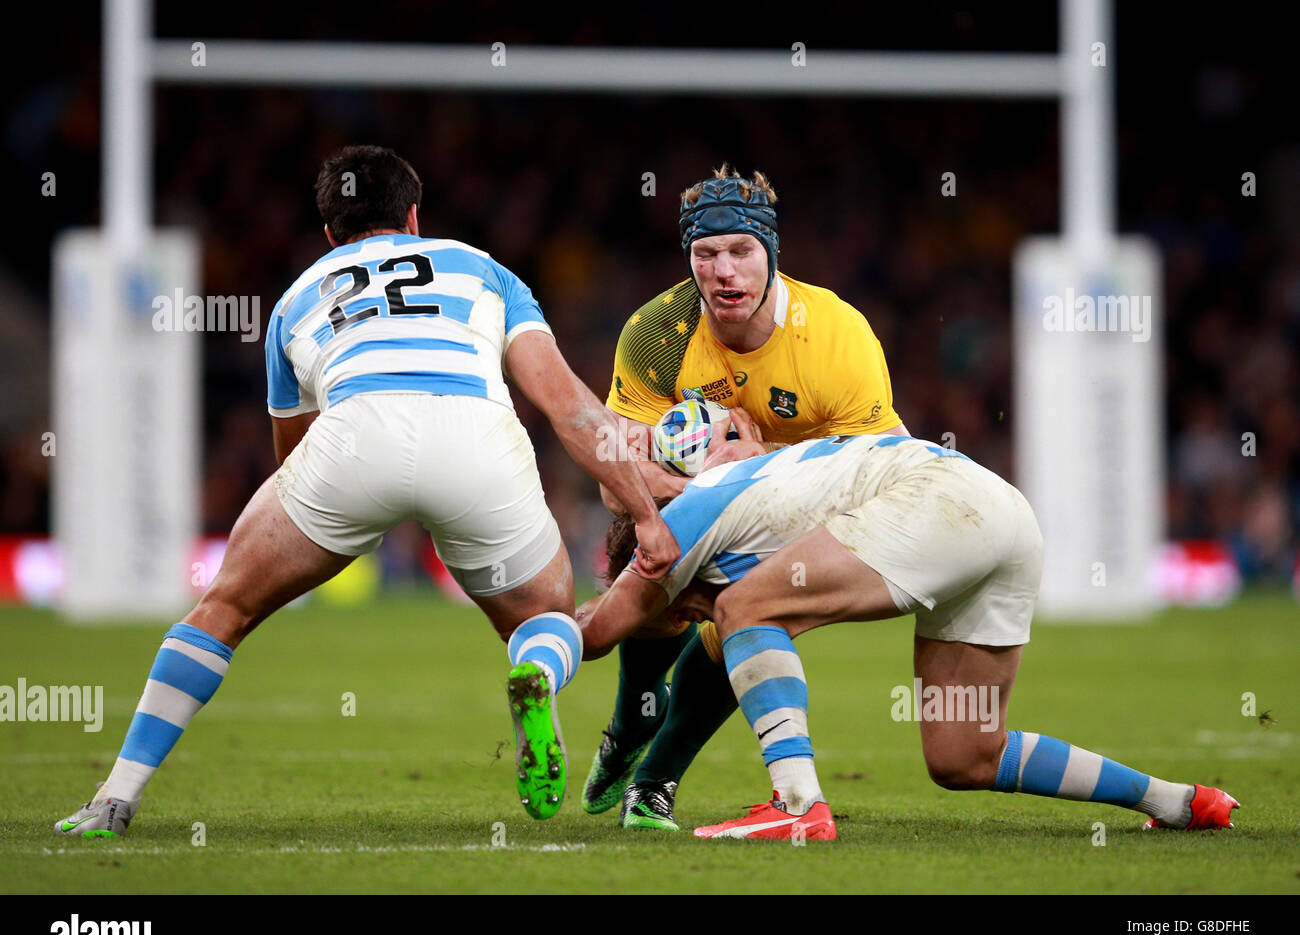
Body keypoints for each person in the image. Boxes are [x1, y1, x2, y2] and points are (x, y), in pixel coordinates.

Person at [54, 145, 677, 837]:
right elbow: (570, 408)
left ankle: (115, 796)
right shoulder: (483, 269)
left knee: (222, 608)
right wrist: (645, 515)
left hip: (353, 436)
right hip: (476, 438)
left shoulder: (294, 299)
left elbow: (292, 456)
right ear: (414, 216)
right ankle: (535, 671)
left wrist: (343, 526)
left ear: (329, 233)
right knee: (547, 618)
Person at [578, 433, 1240, 839]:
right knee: (964, 753)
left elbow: (602, 630)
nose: (683, 620)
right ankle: (1179, 802)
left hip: (937, 499)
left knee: (746, 610)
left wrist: (530, 627)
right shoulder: (752, 493)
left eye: (672, 617)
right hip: (1004, 516)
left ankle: (798, 806)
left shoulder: (678, 526)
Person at [586, 164, 909, 832]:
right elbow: (612, 472)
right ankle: (630, 722)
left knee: (748, 605)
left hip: (822, 503)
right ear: (689, 260)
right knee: (639, 539)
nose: (723, 271)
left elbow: (882, 470)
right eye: (706, 254)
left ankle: (653, 782)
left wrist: (761, 468)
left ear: (772, 255)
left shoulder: (836, 336)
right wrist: (715, 484)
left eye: (741, 252)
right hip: (697, 499)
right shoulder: (656, 334)